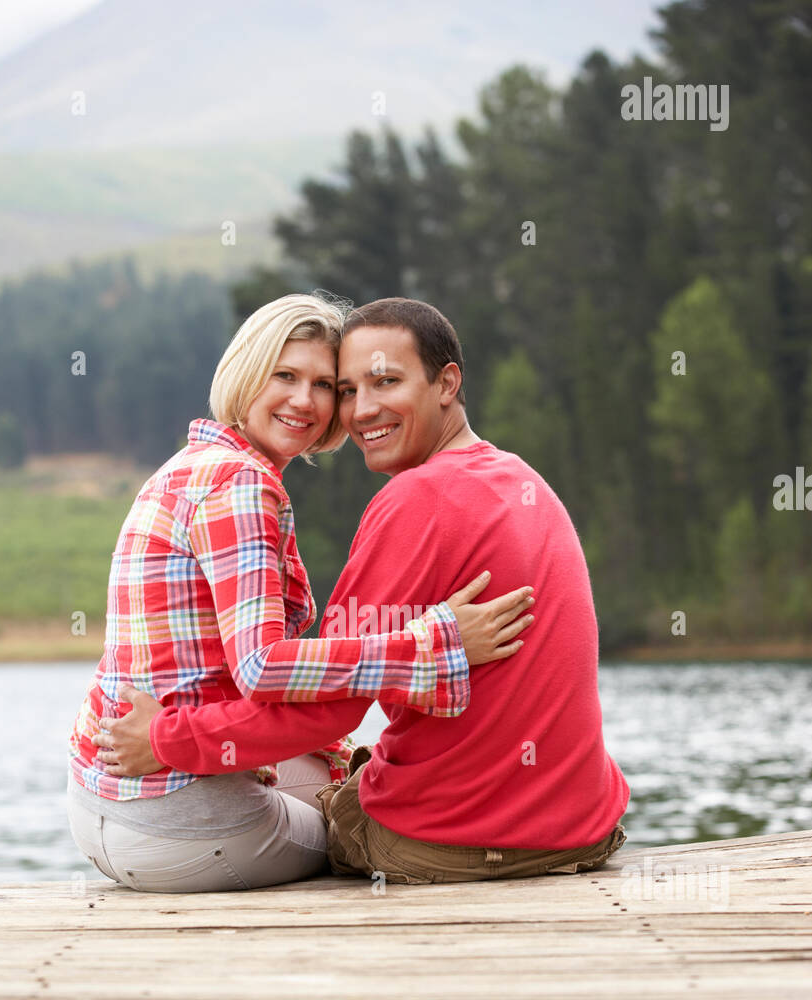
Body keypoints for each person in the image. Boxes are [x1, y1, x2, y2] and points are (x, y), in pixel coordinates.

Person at [96, 297, 629, 887]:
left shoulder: (414, 501)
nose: (361, 410)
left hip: (461, 838)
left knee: (323, 810)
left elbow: (331, 706)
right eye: (348, 390)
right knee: (327, 769)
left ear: (447, 382)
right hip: (583, 824)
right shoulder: (521, 480)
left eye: (385, 382)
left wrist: (169, 738)